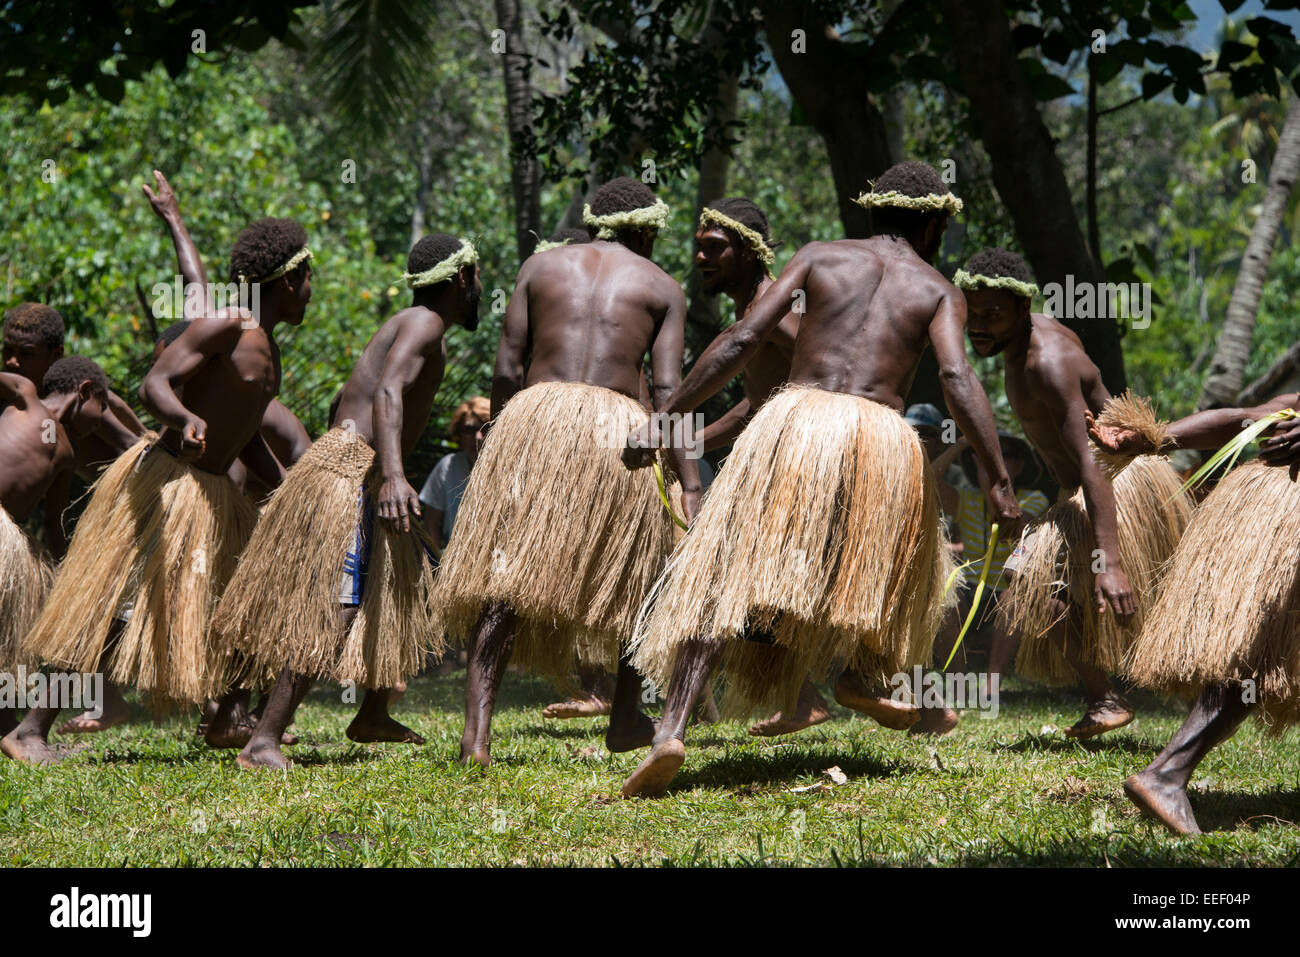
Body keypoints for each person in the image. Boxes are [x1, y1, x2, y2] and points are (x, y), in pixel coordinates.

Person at [620, 161, 1020, 797]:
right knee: (883, 568)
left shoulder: (819, 255)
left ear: (872, 212)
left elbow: (743, 337)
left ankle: (671, 728)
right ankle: (863, 676)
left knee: (721, 570)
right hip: (878, 439)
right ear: (932, 227)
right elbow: (955, 380)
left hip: (796, 423)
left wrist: (664, 421)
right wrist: (998, 479)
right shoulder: (939, 288)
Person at [3, 216, 311, 765]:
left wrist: (285, 487)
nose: (312, 290)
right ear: (288, 281)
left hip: (213, 495)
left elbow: (244, 434)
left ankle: (226, 721)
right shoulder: (229, 326)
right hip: (167, 482)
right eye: (308, 277)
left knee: (239, 605)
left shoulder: (268, 349)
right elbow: (155, 385)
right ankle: (28, 730)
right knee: (99, 606)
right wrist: (185, 418)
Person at [430, 176, 701, 768]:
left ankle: (476, 737)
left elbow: (507, 365)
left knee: (505, 580)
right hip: (618, 428)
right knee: (635, 575)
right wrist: (691, 481)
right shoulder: (661, 285)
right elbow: (668, 388)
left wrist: (497, 445)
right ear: (648, 230)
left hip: (536, 417)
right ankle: (626, 718)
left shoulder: (539, 267)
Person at [211, 232, 479, 769]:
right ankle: (263, 740)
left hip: (358, 468)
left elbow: (347, 395)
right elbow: (387, 392)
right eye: (478, 278)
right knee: (340, 602)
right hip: (354, 476)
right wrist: (392, 476)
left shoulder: (414, 326)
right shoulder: (424, 323)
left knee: (406, 585)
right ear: (462, 279)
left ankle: (372, 712)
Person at [957, 247, 1192, 739]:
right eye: (971, 312)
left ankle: (1133, 694)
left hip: (1113, 484)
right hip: (1087, 486)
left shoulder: (1048, 362)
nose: (977, 324)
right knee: (1032, 583)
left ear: (1021, 309)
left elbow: (1091, 464)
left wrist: (1111, 563)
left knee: (1033, 580)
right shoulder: (1019, 341)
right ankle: (1106, 698)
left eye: (991, 314)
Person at [1089, 391, 1300, 834]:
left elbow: (1244, 416)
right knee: (1252, 657)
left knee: (1253, 655)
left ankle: (1167, 773)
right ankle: (1166, 773)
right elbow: (1248, 418)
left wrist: (1155, 440)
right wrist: (1151, 439)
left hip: (1267, 506)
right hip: (1282, 513)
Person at [912, 429, 1051, 734]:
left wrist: (989, 469)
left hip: (1006, 586)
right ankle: (958, 686)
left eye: (1006, 456)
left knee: (1014, 596)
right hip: (970, 582)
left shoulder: (1034, 499)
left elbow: (1004, 516)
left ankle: (991, 685)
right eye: (989, 453)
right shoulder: (966, 498)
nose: (996, 459)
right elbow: (926, 480)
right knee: (949, 596)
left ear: (1018, 466)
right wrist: (962, 445)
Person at [0, 359, 110, 737]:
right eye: (103, 406)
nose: (101, 420)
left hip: (8, 542)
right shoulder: (25, 397)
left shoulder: (66, 453)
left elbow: (53, 523)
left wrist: (67, 576)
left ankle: (4, 718)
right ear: (85, 391)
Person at [420, 396, 489, 559]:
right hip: (456, 560)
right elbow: (432, 524)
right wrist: (435, 564)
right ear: (459, 434)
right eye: (469, 430)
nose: (478, 437)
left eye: (485, 429)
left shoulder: (508, 469)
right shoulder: (448, 466)